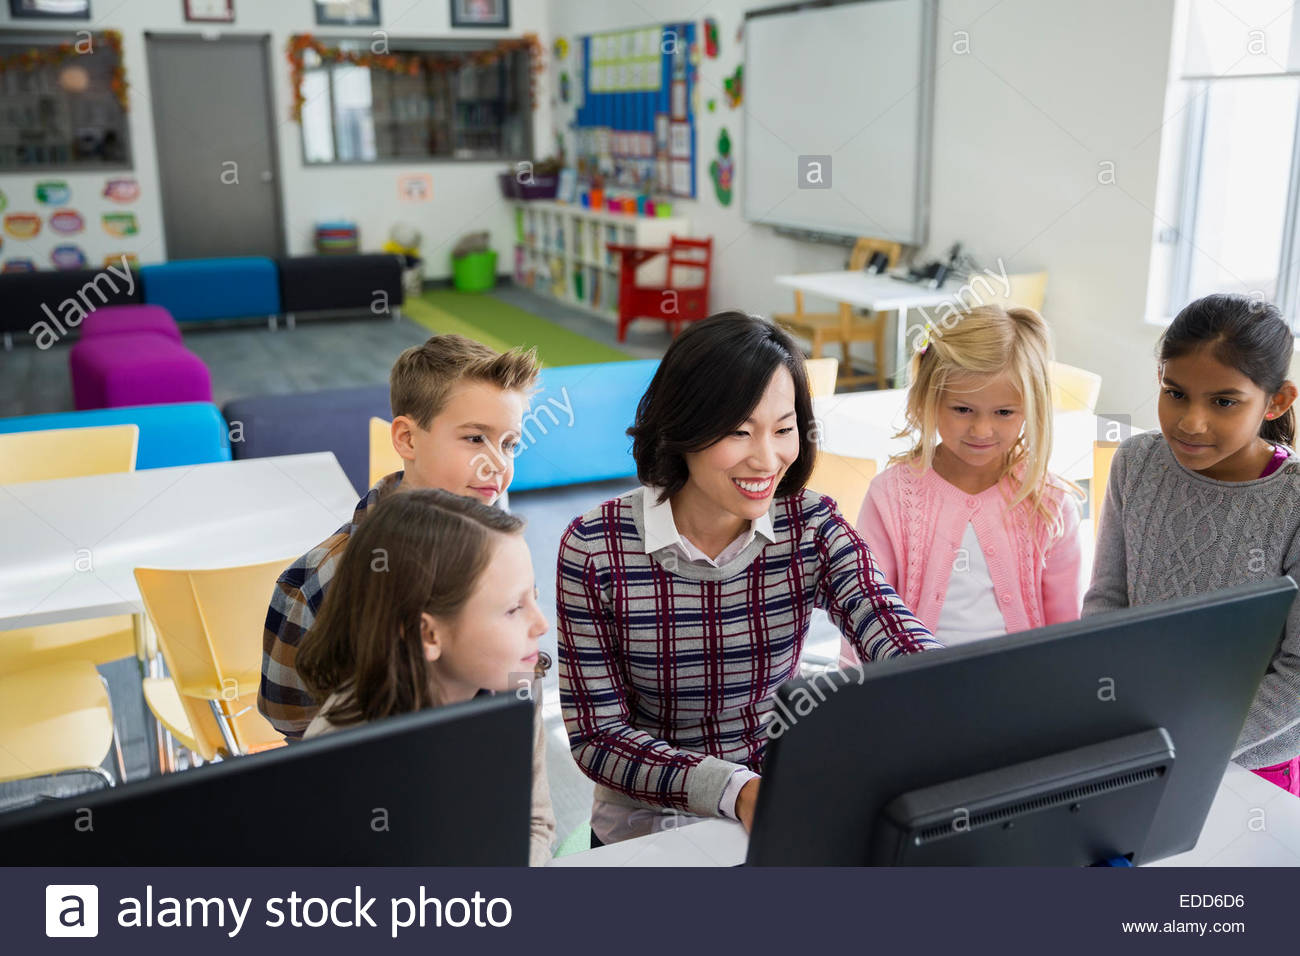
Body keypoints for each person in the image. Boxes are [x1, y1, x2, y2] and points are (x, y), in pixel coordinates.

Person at [557, 311, 939, 846]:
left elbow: (884, 618)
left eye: (784, 430)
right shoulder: (595, 547)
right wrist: (735, 788)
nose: (767, 458)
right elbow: (598, 738)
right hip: (647, 828)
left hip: (781, 805)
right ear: (682, 426)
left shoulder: (810, 522)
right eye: (739, 431)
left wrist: (944, 685)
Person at [260, 334, 539, 739]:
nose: (497, 464)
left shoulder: (506, 544)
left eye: (510, 443)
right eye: (475, 438)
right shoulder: (321, 578)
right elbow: (290, 719)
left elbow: (520, 669)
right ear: (407, 439)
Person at [1083, 293, 1300, 795]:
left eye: (1224, 402)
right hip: (1131, 739)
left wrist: (1182, 743)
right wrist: (1104, 705)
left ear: (1278, 400)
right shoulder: (1135, 462)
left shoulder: (1291, 502)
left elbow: (1296, 673)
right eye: (1175, 392)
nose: (1191, 422)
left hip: (1248, 765)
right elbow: (1107, 601)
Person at [296, 488, 557, 864]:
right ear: (428, 635)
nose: (542, 623)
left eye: (534, 596)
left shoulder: (517, 682)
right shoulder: (339, 753)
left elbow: (533, 821)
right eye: (515, 608)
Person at [841, 304, 1082, 666]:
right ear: (930, 400)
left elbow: (1067, 628)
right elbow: (864, 611)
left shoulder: (1050, 503)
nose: (982, 430)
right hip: (917, 691)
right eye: (963, 409)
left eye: (1004, 412)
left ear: (1031, 409)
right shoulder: (890, 496)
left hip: (1020, 691)